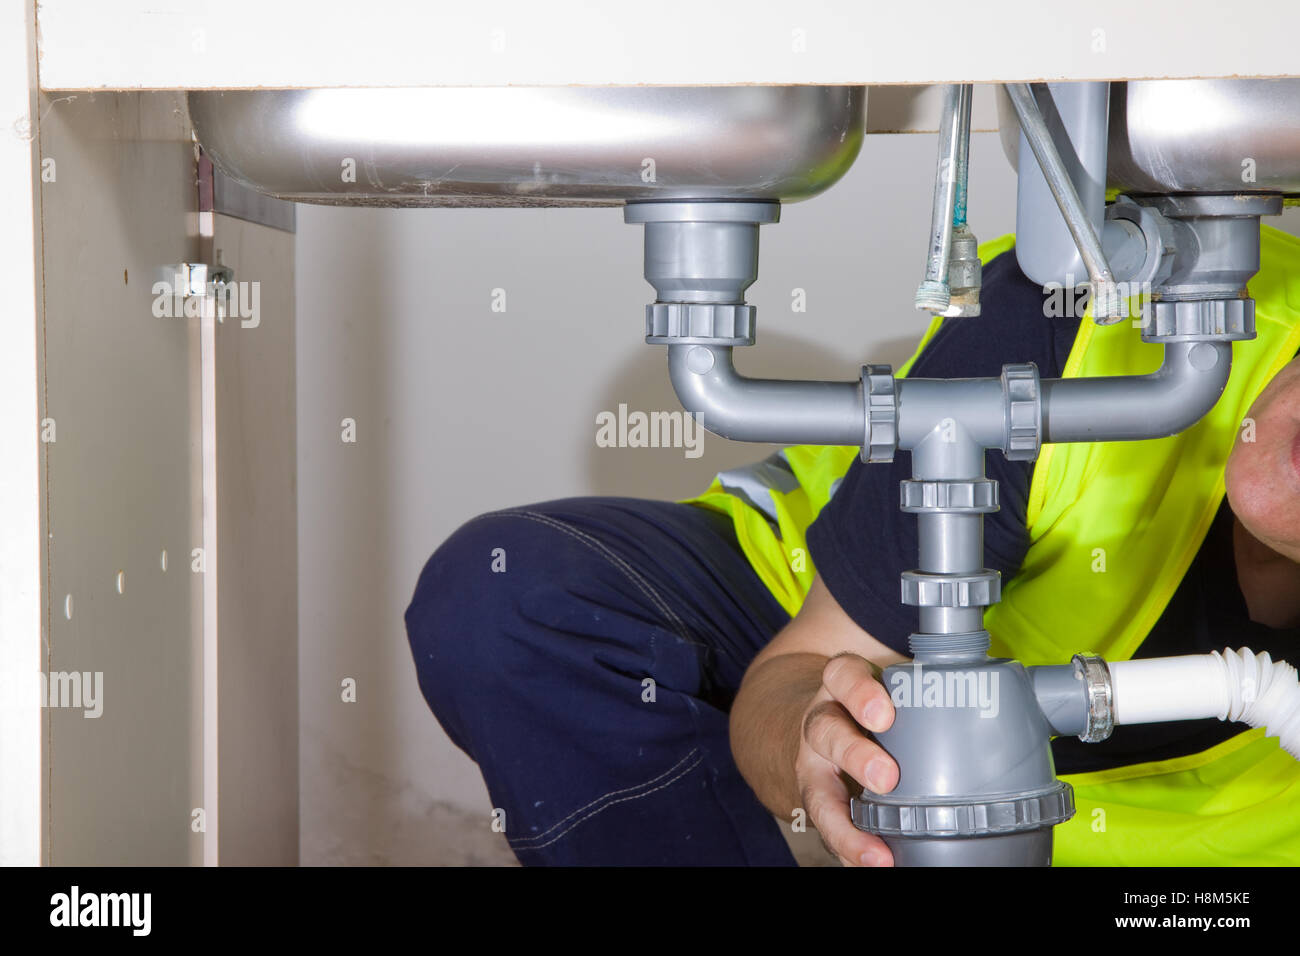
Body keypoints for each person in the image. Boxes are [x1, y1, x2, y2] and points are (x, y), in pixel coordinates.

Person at [404, 226, 1300, 866]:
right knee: (509, 600)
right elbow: (804, 666)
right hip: (801, 603)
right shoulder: (1093, 315)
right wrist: (810, 739)